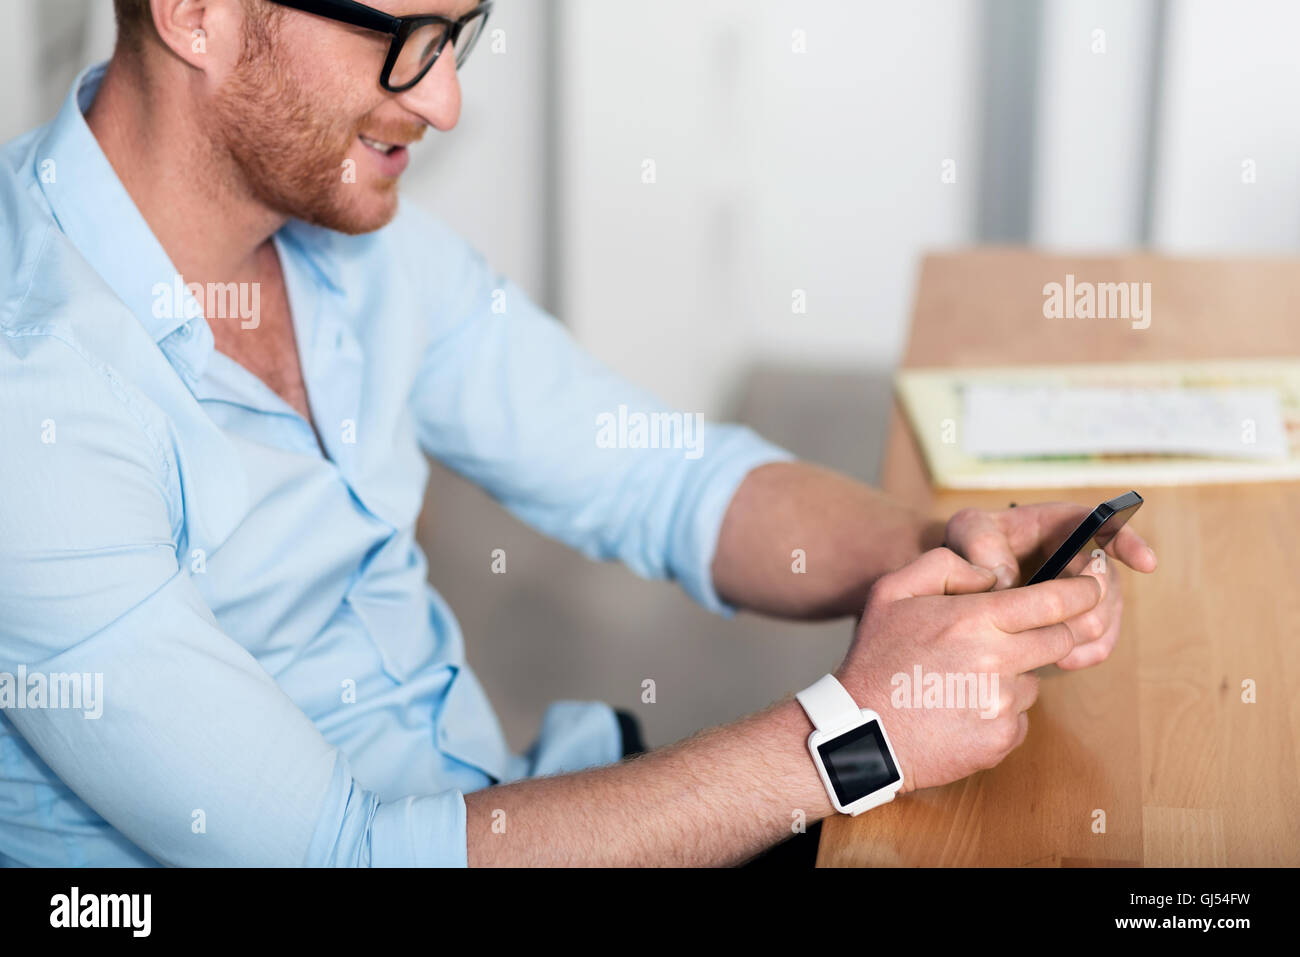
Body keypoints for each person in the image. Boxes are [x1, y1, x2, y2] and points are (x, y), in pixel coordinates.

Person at [0, 0, 1156, 867]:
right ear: (198, 14)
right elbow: (336, 858)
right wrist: (857, 738)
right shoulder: (36, 408)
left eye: (462, 34)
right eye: (407, 40)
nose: (444, 99)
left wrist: (946, 551)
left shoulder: (348, 239)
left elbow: (658, 479)